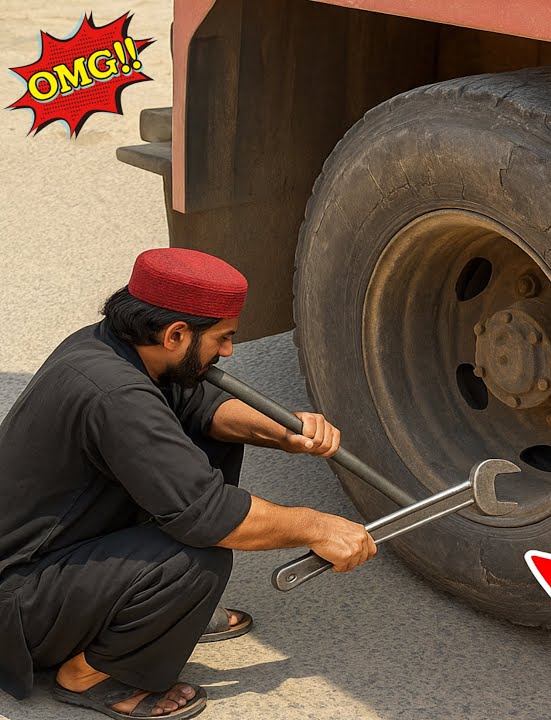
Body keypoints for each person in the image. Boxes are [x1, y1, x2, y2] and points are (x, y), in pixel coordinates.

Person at [0, 248, 377, 719]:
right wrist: (317, 526)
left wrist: (282, 431)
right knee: (196, 558)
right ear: (175, 332)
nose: (228, 352)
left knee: (207, 439)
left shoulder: (114, 344)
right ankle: (89, 672)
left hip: (57, 554)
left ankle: (156, 620)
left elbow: (200, 404)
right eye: (222, 338)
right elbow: (207, 515)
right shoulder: (116, 396)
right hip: (17, 601)